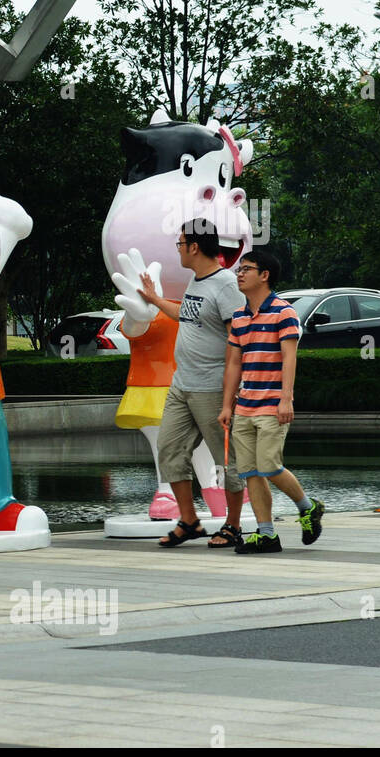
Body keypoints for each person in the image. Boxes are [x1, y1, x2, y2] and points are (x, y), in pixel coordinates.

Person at [134, 220, 248, 548]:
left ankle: (233, 525)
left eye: (180, 243)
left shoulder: (226, 284)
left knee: (227, 461)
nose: (179, 249)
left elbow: (238, 338)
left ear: (194, 247)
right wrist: (155, 299)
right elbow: (187, 313)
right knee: (169, 449)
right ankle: (189, 520)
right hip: (182, 385)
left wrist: (231, 395)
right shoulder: (196, 281)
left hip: (212, 389)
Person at [219, 251, 325, 553]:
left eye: (246, 269)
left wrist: (286, 398)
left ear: (264, 275)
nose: (239, 274)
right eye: (239, 269)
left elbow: (290, 357)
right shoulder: (239, 317)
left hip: (272, 404)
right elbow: (233, 364)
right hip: (245, 406)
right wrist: (227, 406)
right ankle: (266, 534)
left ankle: (308, 506)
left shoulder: (284, 313)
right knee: (250, 471)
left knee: (269, 465)